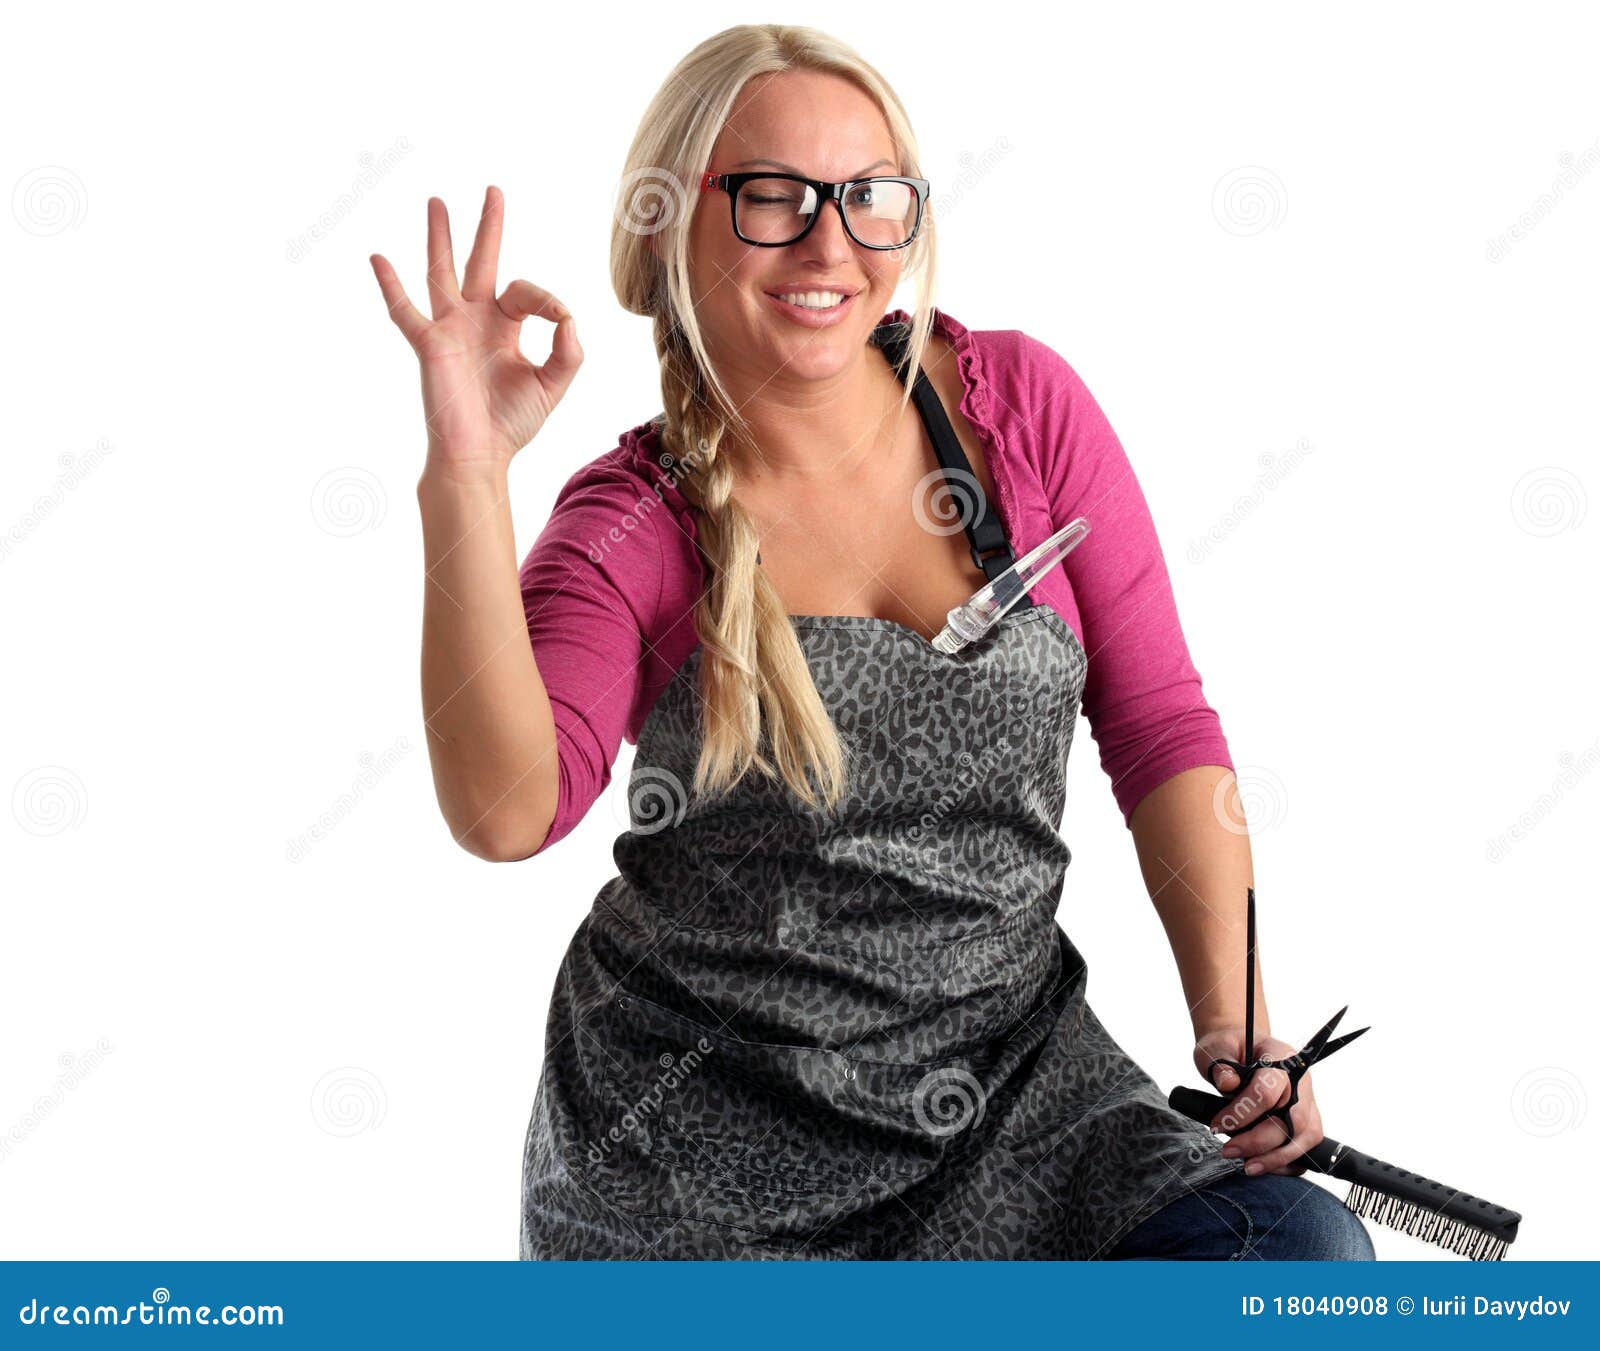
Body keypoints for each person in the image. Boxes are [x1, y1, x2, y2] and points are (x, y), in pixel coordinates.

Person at [370, 23, 1374, 1262]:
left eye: (868, 198)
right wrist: (466, 471)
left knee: (1293, 1260)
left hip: (1017, 1104)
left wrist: (1240, 1028)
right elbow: (503, 807)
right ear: (666, 224)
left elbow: (1161, 726)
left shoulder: (1021, 410)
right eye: (772, 199)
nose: (830, 244)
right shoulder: (633, 520)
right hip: (702, 1158)